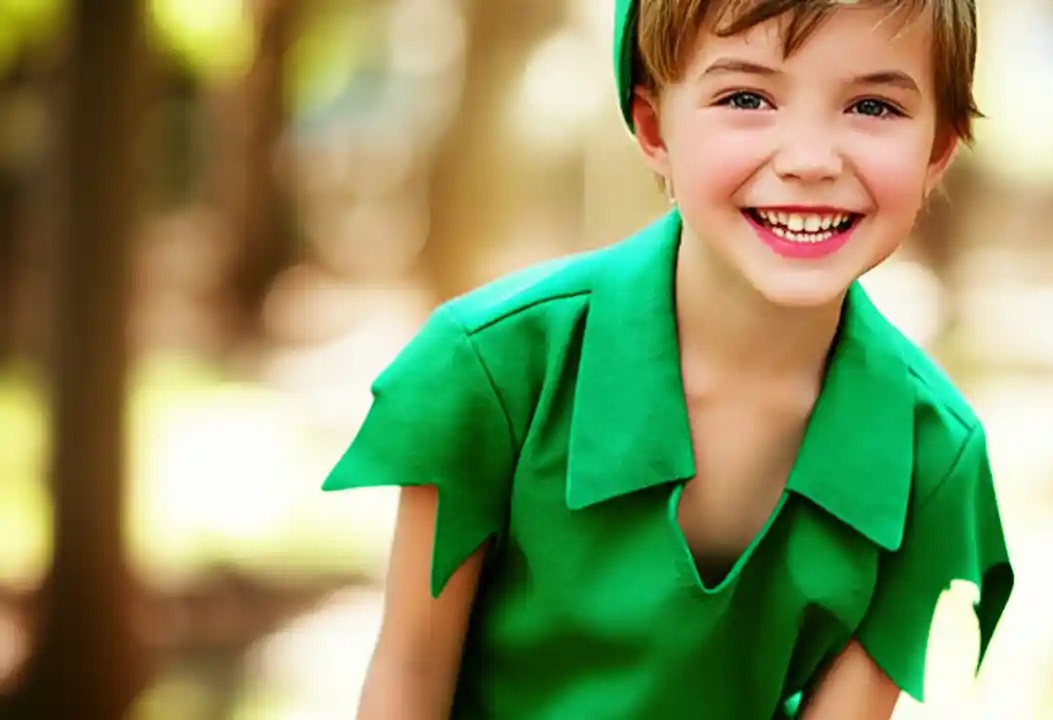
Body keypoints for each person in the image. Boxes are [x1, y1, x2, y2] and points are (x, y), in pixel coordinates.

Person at [323, 0, 1014, 717]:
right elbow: (409, 675)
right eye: (746, 97)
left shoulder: (932, 455)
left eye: (872, 106)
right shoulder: (495, 368)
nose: (810, 160)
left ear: (939, 150)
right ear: (654, 128)